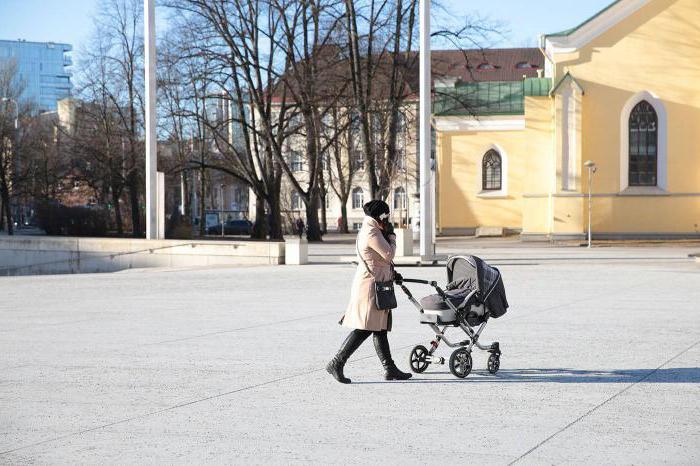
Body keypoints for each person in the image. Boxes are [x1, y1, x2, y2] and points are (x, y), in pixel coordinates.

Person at [326, 200, 411, 383]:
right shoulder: (371, 231)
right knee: (365, 328)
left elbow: (380, 259)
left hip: (377, 283)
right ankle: (337, 363)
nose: (388, 219)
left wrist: (392, 272)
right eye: (386, 215)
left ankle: (390, 369)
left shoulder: (373, 229)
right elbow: (388, 254)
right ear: (380, 215)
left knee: (379, 328)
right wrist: (392, 237)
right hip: (370, 286)